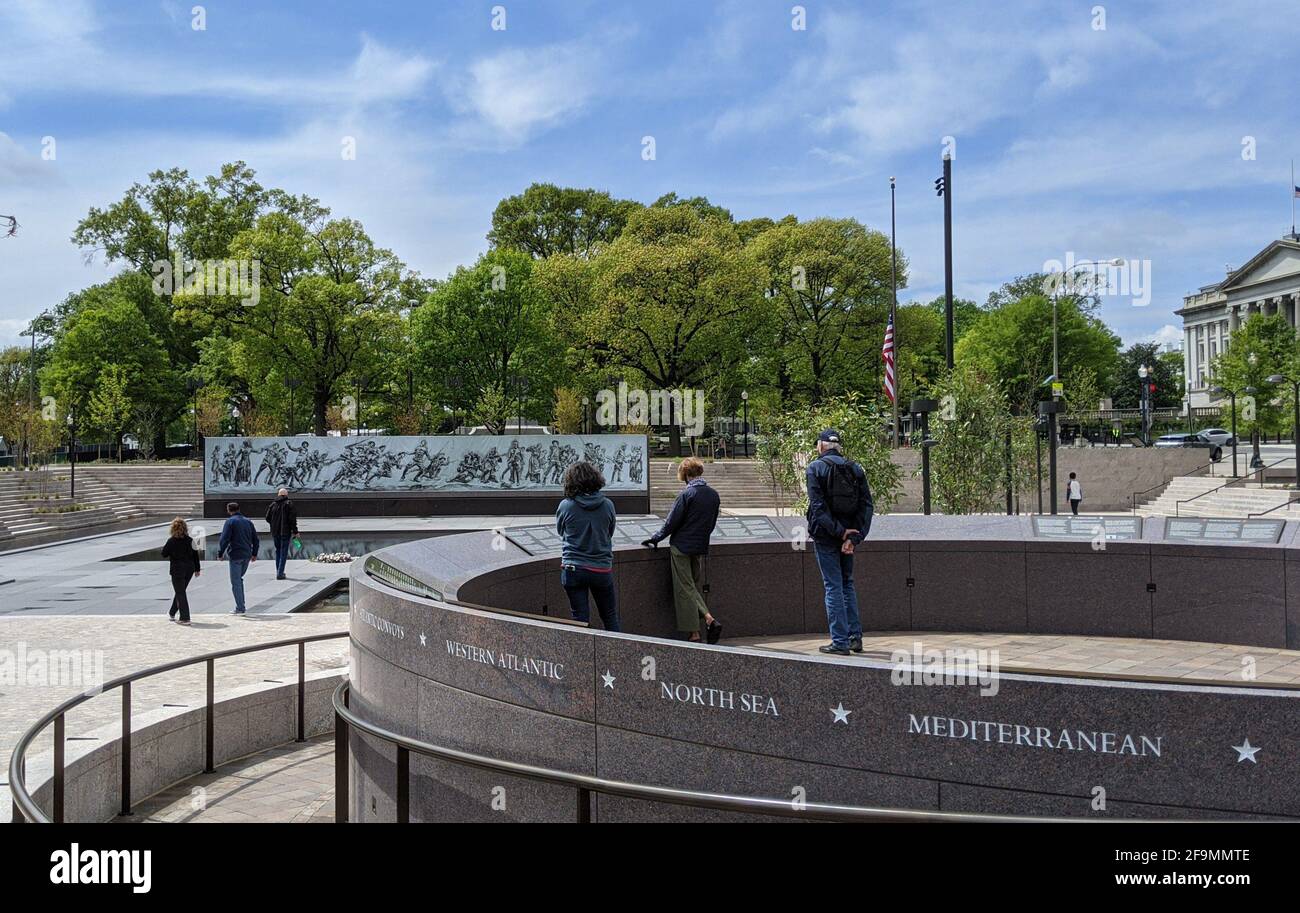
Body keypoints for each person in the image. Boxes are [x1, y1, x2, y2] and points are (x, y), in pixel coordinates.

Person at [805, 429, 873, 656]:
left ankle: (839, 642)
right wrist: (854, 537)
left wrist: (840, 532)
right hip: (848, 537)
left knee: (833, 586)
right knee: (847, 584)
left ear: (821, 446)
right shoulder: (855, 468)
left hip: (826, 536)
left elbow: (818, 507)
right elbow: (866, 505)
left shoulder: (815, 468)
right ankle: (855, 639)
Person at [641, 457, 722, 642]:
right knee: (693, 585)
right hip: (700, 546)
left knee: (685, 588)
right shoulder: (713, 494)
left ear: (685, 474)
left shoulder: (687, 495)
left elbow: (671, 522)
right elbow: (711, 523)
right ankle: (700, 628)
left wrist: (656, 538)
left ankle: (702, 626)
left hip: (681, 547)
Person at [554, 461, 620, 631]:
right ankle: (617, 654)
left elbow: (561, 531)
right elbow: (609, 532)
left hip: (573, 568)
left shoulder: (566, 505)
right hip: (601, 569)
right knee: (610, 616)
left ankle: (581, 655)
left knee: (579, 619)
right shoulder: (607, 505)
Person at [217, 501, 259, 616]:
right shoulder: (248, 521)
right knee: (239, 579)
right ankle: (241, 604)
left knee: (236, 581)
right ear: (239, 509)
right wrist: (254, 553)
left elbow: (224, 539)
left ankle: (240, 607)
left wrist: (220, 553)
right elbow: (255, 539)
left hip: (235, 555)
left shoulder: (230, 522)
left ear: (229, 510)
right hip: (247, 555)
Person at [161, 517, 201, 625]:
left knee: (180, 592)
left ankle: (185, 617)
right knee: (180, 591)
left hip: (177, 569)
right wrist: (197, 569)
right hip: (189, 568)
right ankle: (172, 612)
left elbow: (164, 554)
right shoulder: (190, 540)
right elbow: (195, 556)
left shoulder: (171, 541)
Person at [265, 487, 299, 580]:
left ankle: (279, 571)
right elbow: (292, 519)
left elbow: (267, 518)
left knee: (278, 551)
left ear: (278, 495)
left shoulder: (273, 505)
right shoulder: (289, 504)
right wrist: (295, 531)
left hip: (275, 532)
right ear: (286, 495)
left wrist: (274, 524)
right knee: (283, 552)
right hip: (285, 532)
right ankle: (280, 573)